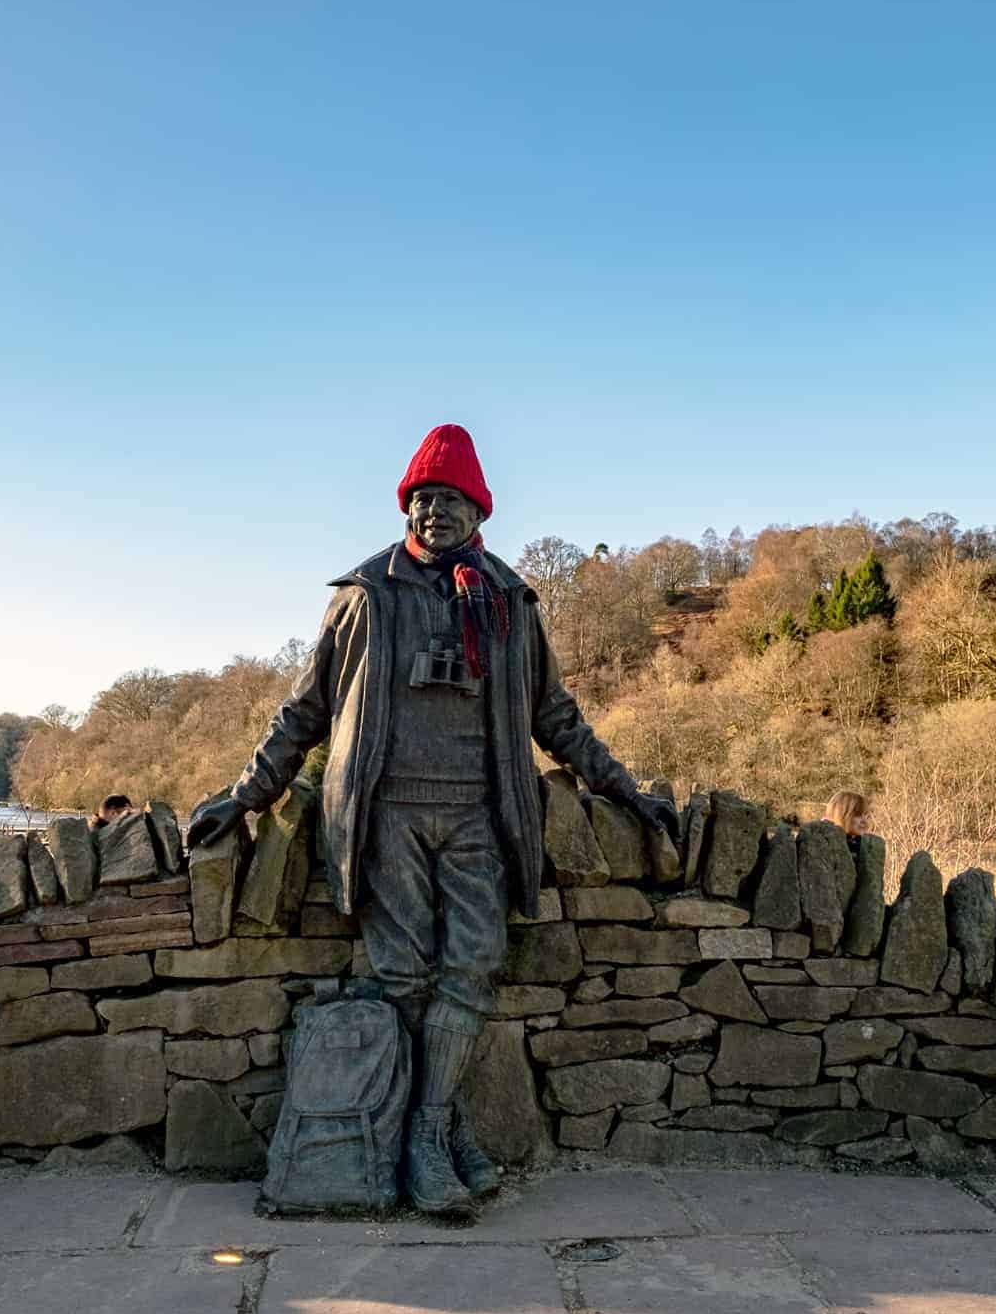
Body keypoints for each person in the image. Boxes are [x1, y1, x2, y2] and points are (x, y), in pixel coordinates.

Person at [186, 423, 676, 1217]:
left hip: (479, 813)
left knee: (475, 966)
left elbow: (554, 715)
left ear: (479, 512)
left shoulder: (511, 602)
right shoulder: (365, 599)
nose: (432, 513)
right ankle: (432, 1140)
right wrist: (245, 794)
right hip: (388, 814)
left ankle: (432, 1126)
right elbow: (305, 711)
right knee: (406, 976)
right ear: (405, 509)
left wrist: (624, 790)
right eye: (420, 499)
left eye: (449, 500)